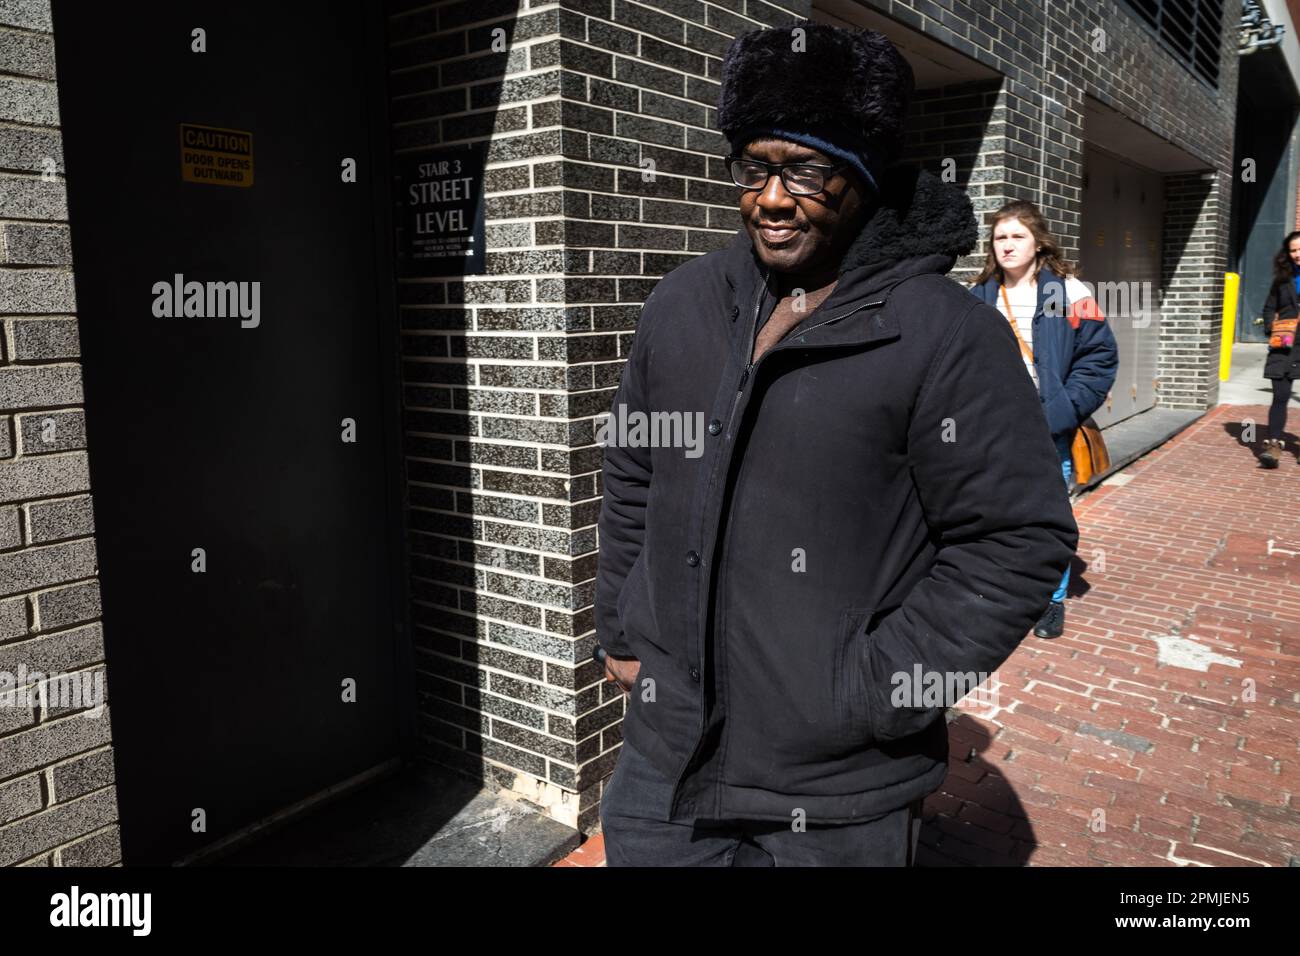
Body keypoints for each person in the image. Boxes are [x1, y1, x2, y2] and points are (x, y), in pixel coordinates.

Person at [592, 22, 1077, 867]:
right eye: (754, 167)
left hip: (837, 794)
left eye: (807, 170)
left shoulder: (947, 334)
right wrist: (624, 631)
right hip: (664, 768)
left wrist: (875, 689)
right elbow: (634, 470)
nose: (773, 198)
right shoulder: (681, 305)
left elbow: (1017, 540)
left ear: (865, 174)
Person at [969, 202, 1118, 639]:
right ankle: (1003, 594)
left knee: (1047, 519)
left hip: (1048, 429)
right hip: (991, 428)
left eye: (1017, 236)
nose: (1008, 245)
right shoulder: (978, 295)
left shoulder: (1070, 292)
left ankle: (1051, 600)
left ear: (1038, 242)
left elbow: (1099, 357)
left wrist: (1062, 412)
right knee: (991, 516)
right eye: (1000, 237)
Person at [1257, 230, 1300, 468]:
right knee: (1280, 396)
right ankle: (1273, 446)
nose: (1297, 254)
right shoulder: (1282, 280)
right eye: (1293, 250)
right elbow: (1268, 307)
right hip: (1284, 346)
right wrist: (1273, 330)